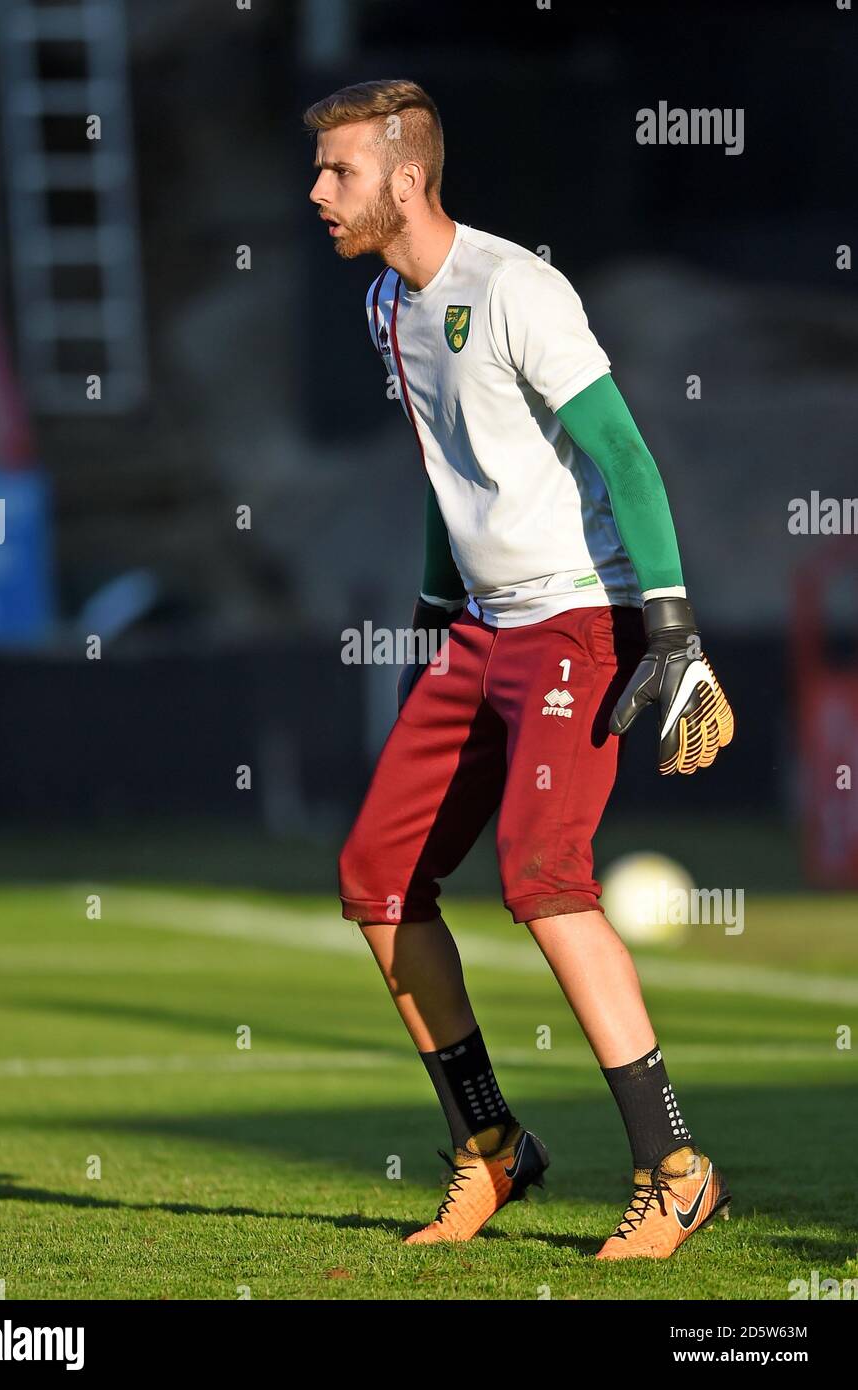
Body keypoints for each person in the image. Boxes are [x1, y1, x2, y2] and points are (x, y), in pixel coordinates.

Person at [305, 78, 733, 1257]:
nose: (317, 193)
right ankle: (491, 1148)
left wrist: (674, 628)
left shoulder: (518, 290)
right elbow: (446, 474)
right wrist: (434, 617)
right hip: (476, 633)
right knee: (376, 880)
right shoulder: (387, 304)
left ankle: (676, 1167)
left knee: (542, 874)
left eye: (337, 172)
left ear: (404, 179)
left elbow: (627, 457)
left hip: (575, 625)